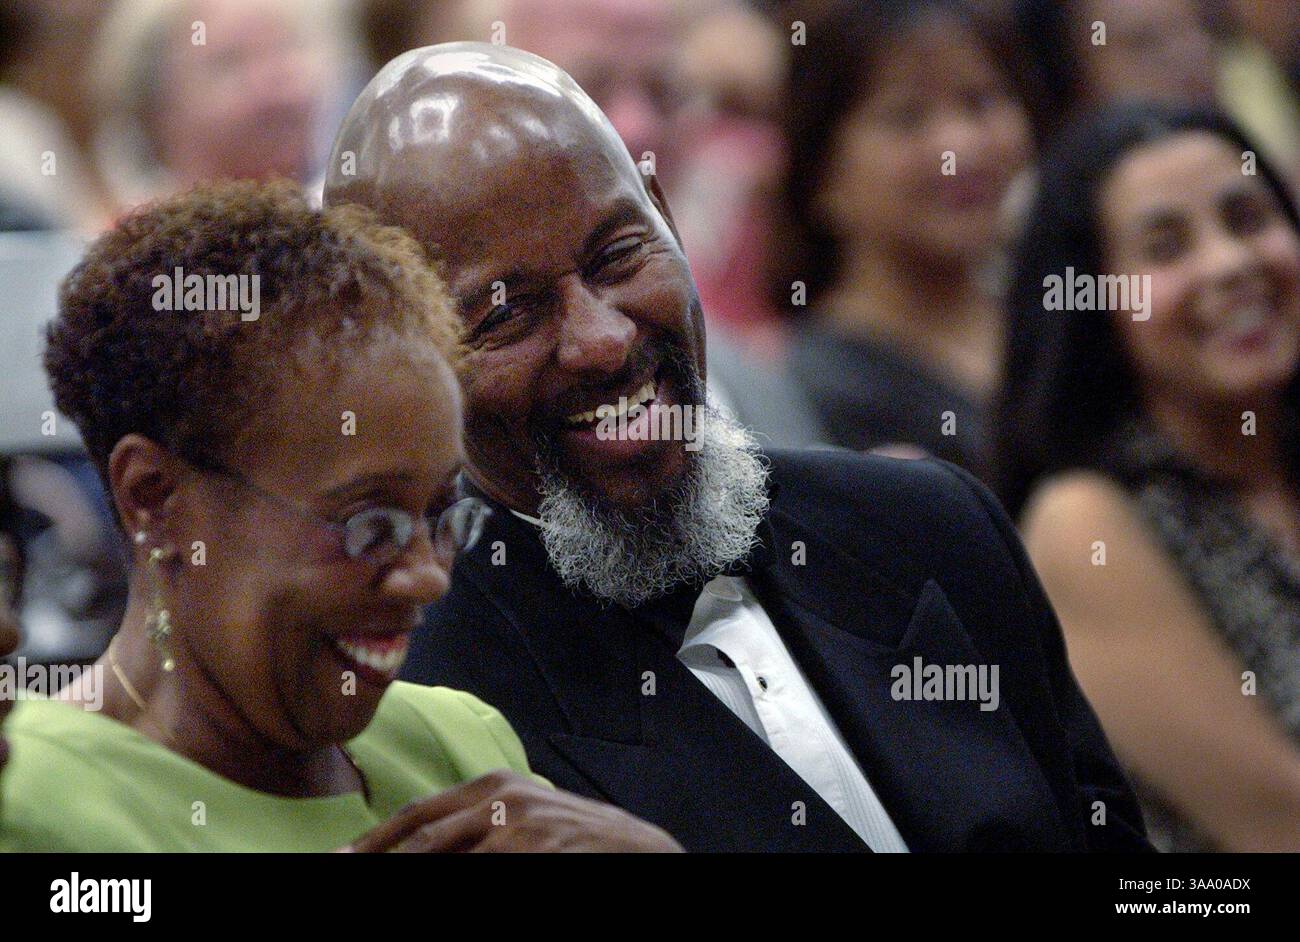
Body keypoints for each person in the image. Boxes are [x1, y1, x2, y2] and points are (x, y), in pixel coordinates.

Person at [324, 42, 1150, 852]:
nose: (603, 341)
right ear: (399, 363)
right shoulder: (427, 719)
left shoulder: (930, 527)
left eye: (619, 255)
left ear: (668, 217)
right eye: (507, 314)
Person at [0, 179, 680, 852]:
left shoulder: (461, 745)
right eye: (369, 525)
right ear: (153, 496)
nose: (427, 579)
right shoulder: (30, 796)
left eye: (444, 516)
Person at [997, 103, 1300, 852]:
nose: (1230, 264)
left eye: (1248, 218)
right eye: (1167, 247)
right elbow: (1279, 823)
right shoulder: (1086, 522)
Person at [777, 0, 1032, 478]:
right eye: (906, 116)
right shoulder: (810, 395)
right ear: (822, 174)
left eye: (980, 100)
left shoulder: (1057, 329)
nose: (960, 147)